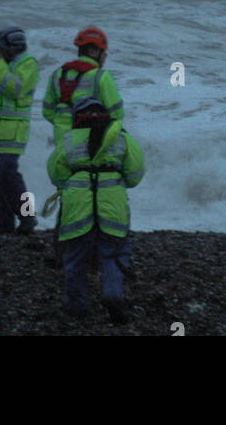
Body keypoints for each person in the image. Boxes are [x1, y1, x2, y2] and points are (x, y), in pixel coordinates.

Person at [47, 97, 145, 323]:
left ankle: (77, 306)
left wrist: (71, 184)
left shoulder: (69, 139)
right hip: (112, 203)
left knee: (75, 258)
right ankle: (112, 293)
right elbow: (136, 173)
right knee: (113, 253)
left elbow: (55, 172)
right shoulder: (122, 138)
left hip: (78, 206)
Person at [0, 27, 39, 235]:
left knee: (8, 174)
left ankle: (28, 216)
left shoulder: (28, 64)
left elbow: (14, 88)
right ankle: (4, 225)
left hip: (13, 132)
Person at [42, 27, 124, 148]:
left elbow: (47, 111)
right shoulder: (102, 77)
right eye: (103, 52)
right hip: (89, 141)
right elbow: (117, 114)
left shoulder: (57, 74)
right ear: (93, 51)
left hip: (61, 141)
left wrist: (62, 125)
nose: (105, 56)